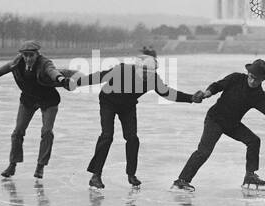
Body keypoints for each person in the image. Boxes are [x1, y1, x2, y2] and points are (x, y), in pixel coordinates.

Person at [79, 47, 200, 189]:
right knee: (107, 136)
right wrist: (75, 82)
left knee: (132, 138)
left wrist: (191, 98)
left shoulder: (153, 78)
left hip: (128, 107)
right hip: (108, 102)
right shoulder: (122, 70)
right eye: (143, 70)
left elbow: (167, 93)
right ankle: (96, 175)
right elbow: (99, 76)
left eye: (149, 71)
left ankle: (131, 174)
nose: (145, 74)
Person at [172, 58, 265, 191]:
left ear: (263, 80)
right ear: (248, 73)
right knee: (204, 151)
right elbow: (217, 86)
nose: (253, 81)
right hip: (215, 119)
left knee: (254, 141)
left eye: (257, 79)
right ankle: (182, 180)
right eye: (251, 77)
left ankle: (250, 175)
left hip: (232, 124)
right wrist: (207, 93)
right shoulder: (236, 78)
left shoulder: (258, 95)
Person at [0, 41, 76, 179]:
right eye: (25, 55)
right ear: (21, 55)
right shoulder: (17, 62)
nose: (28, 58)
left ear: (37, 54)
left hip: (48, 100)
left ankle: (40, 166)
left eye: (31, 55)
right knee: (17, 131)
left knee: (47, 132)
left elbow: (53, 72)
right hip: (28, 100)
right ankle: (12, 164)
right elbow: (6, 67)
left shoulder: (45, 63)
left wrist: (61, 80)